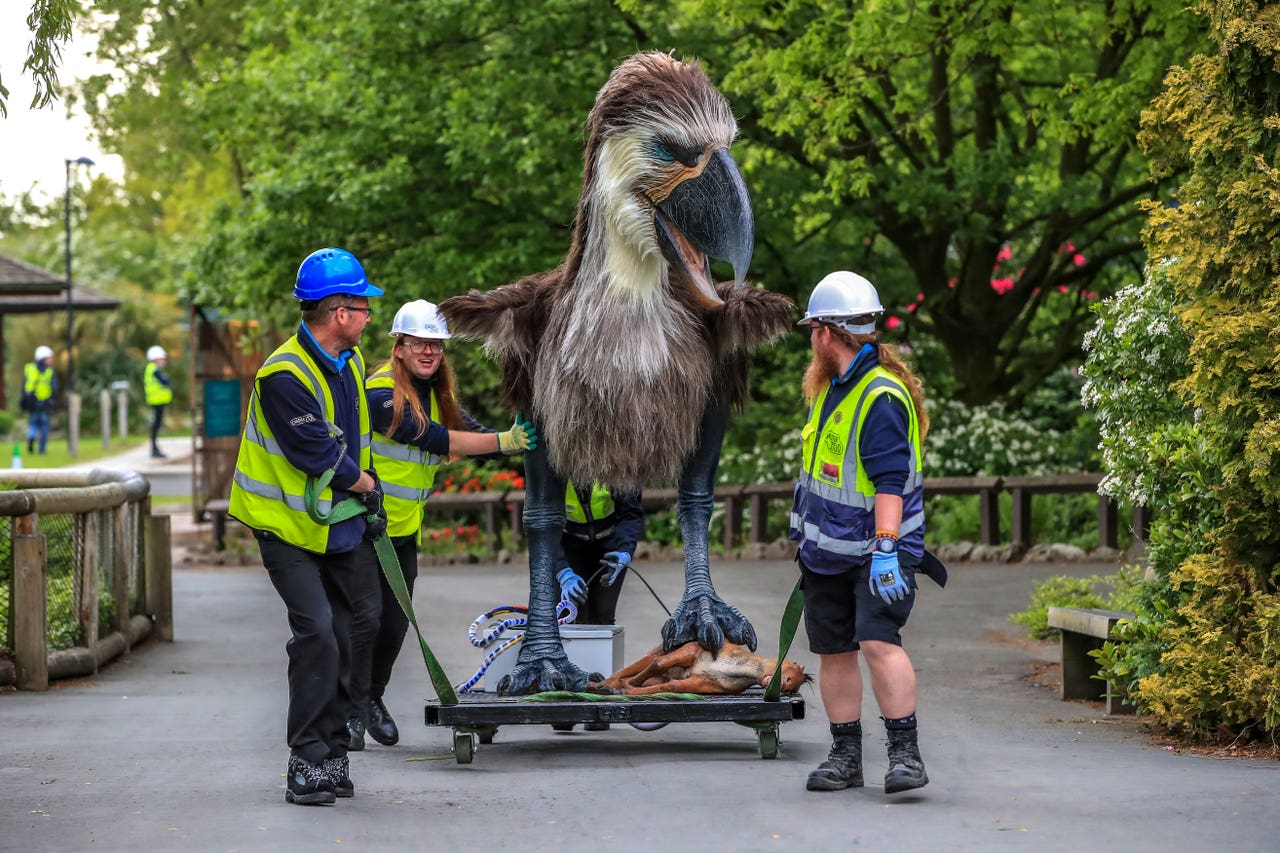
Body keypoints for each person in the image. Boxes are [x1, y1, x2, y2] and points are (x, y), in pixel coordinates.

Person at [228, 247, 386, 806]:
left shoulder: (349, 366)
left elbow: (355, 444)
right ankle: (305, 760)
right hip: (284, 528)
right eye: (364, 305)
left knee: (350, 632)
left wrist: (366, 500)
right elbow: (316, 453)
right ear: (340, 312)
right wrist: (367, 487)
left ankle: (334, 751)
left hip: (334, 524)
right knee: (317, 632)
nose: (370, 314)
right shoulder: (283, 375)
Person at [351, 299, 535, 750]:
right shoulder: (379, 394)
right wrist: (503, 441)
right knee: (365, 621)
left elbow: (468, 431)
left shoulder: (437, 394)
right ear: (399, 348)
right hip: (361, 526)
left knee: (394, 625)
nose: (429, 351)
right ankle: (352, 711)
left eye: (436, 344)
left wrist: (526, 442)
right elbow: (434, 437)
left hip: (403, 529)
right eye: (419, 343)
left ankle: (371, 698)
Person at [790, 270, 942, 795]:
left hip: (879, 548)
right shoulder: (834, 388)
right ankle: (845, 756)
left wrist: (885, 548)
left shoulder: (878, 394)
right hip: (828, 552)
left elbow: (889, 483)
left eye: (813, 329)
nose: (811, 338)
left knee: (878, 642)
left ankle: (906, 755)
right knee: (833, 650)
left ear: (827, 333)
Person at [554, 481, 644, 626]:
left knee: (604, 616)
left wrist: (625, 551)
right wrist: (561, 570)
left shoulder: (618, 462)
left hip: (610, 545)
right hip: (568, 543)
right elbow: (543, 522)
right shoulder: (553, 466)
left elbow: (630, 512)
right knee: (570, 613)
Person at [22, 345, 57, 455]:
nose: (51, 360)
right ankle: (42, 450)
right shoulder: (49, 371)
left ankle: (31, 437)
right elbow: (54, 388)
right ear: (44, 358)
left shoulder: (29, 368)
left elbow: (23, 386)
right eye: (49, 357)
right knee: (44, 427)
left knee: (32, 425)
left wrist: (24, 400)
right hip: (45, 403)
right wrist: (53, 400)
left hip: (32, 403)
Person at [144, 345, 174, 459]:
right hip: (157, 401)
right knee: (156, 425)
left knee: (156, 425)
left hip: (157, 401)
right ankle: (154, 449)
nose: (163, 361)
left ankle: (154, 448)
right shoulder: (154, 369)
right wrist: (166, 379)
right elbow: (165, 381)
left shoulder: (152, 368)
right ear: (156, 358)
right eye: (162, 358)